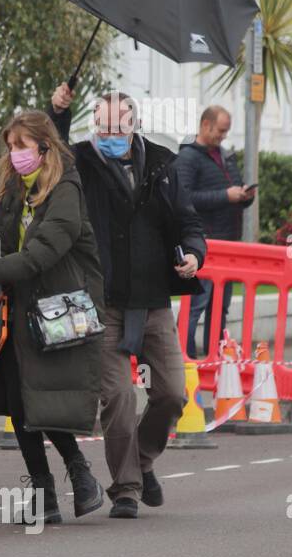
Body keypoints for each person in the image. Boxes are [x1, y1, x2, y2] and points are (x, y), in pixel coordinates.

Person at [49, 84, 207, 518]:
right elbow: (51, 152)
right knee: (118, 397)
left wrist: (193, 254)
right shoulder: (80, 161)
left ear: (134, 124)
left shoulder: (162, 164)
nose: (109, 134)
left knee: (173, 393)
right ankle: (126, 489)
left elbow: (187, 221)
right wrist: (57, 112)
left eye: (118, 127)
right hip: (103, 302)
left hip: (153, 299)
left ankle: (140, 459)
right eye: (102, 127)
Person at [0, 110, 105, 524]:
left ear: (45, 147)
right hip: (19, 307)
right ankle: (45, 493)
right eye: (10, 145)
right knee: (18, 400)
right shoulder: (13, 189)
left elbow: (42, 254)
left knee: (43, 397)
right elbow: (1, 241)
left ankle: (80, 475)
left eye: (22, 146)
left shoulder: (66, 191)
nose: (14, 153)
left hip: (59, 310)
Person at [174, 105, 253, 358]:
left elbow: (231, 191)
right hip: (204, 244)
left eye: (226, 131)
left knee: (220, 307)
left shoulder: (225, 155)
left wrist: (244, 197)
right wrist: (225, 196)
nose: (223, 136)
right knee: (197, 304)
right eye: (220, 130)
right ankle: (184, 359)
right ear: (205, 125)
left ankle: (214, 357)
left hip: (227, 242)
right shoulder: (187, 157)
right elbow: (183, 198)